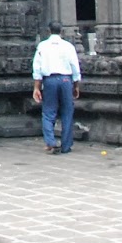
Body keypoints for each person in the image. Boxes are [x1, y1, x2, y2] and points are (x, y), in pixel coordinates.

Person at [32, 21, 82, 154]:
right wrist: (76, 85)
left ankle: (50, 142)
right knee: (67, 112)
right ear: (62, 31)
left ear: (49, 31)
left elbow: (37, 68)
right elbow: (75, 67)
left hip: (49, 80)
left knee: (48, 113)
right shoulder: (68, 46)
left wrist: (37, 87)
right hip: (66, 79)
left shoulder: (42, 46)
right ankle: (66, 145)